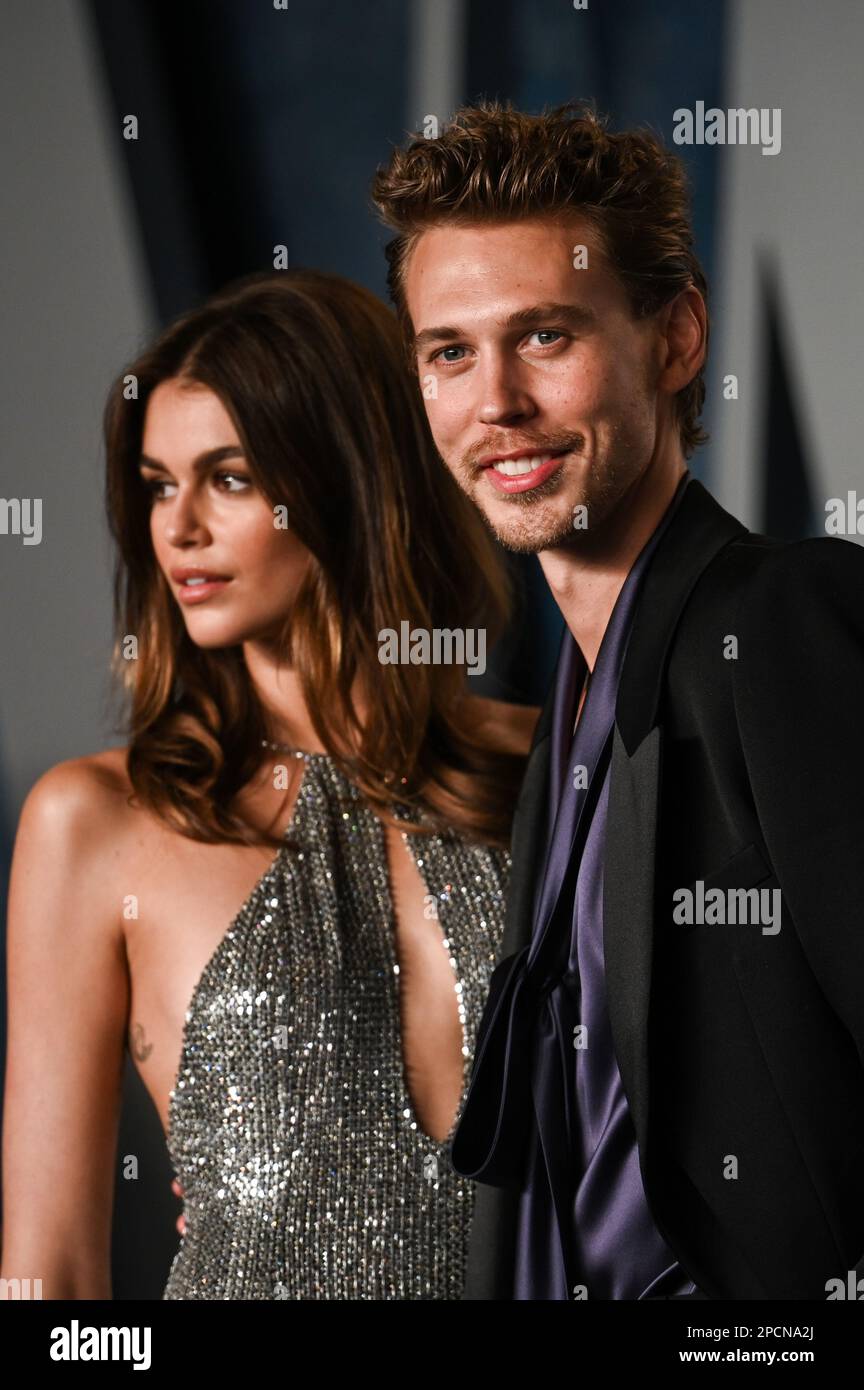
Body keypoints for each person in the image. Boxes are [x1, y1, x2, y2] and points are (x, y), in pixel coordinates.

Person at [370, 99, 864, 1300]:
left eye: (544, 336)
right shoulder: (575, 717)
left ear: (678, 336)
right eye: (449, 351)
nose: (494, 402)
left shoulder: (779, 619)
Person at [0, 269, 539, 1300]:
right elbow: (50, 1277)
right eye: (159, 483)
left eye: (230, 477)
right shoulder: (96, 822)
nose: (179, 528)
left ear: (345, 480)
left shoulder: (558, 771)